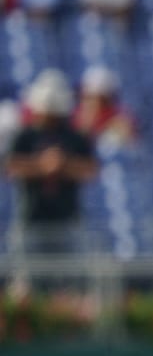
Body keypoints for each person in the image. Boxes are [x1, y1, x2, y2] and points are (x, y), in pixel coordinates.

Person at [5, 69, 98, 256]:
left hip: (67, 217)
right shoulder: (25, 136)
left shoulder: (75, 137)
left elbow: (90, 169)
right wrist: (42, 166)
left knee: (69, 275)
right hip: (31, 216)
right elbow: (11, 166)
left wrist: (63, 165)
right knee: (26, 271)